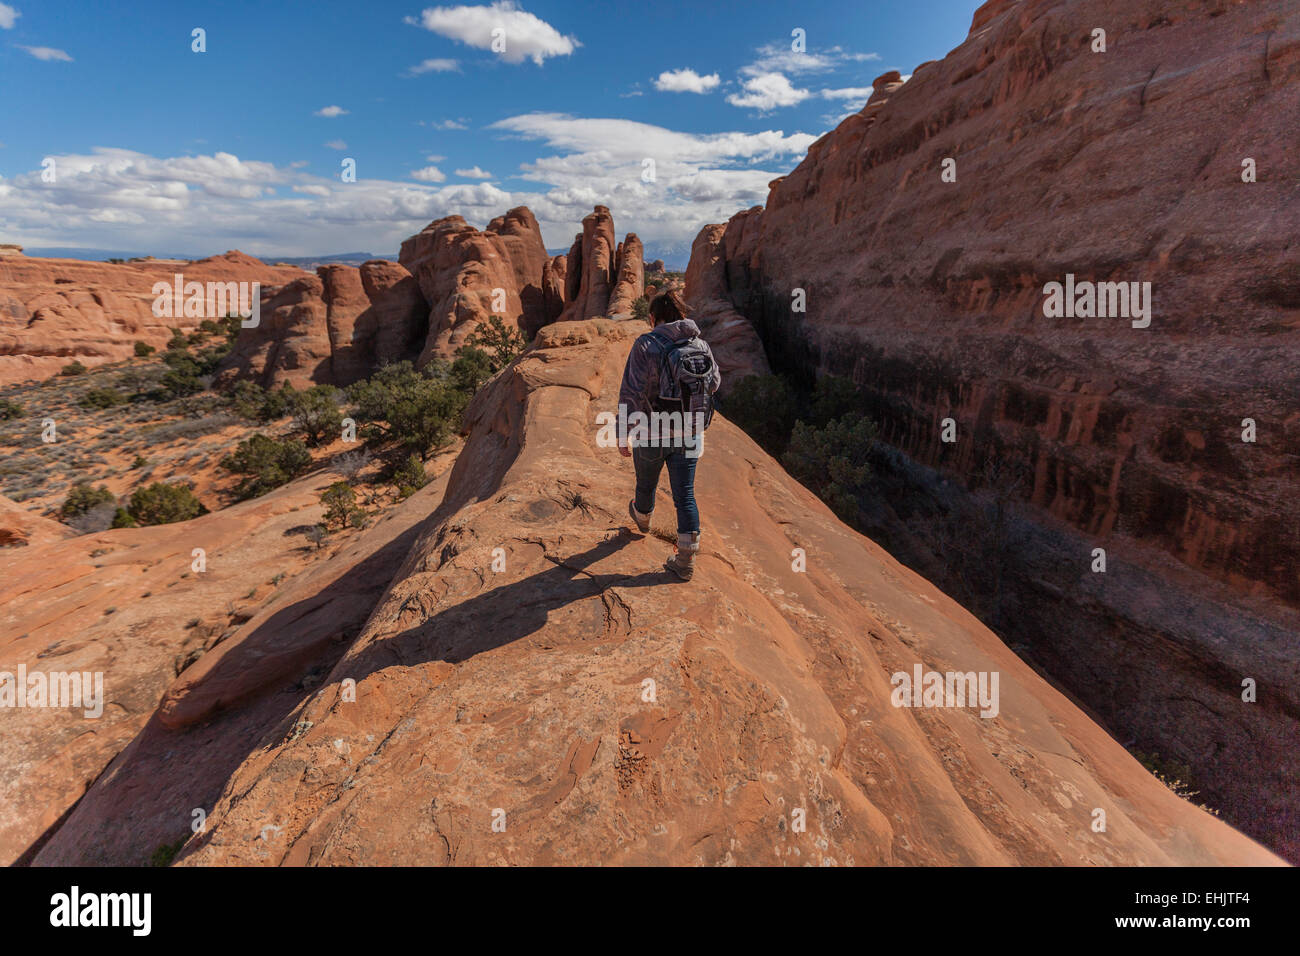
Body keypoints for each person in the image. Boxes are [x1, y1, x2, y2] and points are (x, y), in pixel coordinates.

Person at [617, 290, 721, 580]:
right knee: (685, 495)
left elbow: (631, 392)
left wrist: (622, 432)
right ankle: (685, 561)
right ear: (682, 315)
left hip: (651, 432)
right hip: (690, 432)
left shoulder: (646, 344)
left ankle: (643, 517)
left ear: (653, 318)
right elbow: (714, 383)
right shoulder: (700, 344)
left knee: (645, 483)